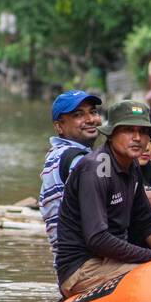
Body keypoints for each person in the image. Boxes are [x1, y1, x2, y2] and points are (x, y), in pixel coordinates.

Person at [54, 100, 151, 297]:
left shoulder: (131, 167)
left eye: (143, 131)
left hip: (113, 261)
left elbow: (147, 221)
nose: (137, 138)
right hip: (82, 268)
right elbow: (97, 238)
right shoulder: (95, 168)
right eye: (129, 130)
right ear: (112, 134)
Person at [39, 90, 103, 244]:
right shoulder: (76, 160)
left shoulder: (57, 154)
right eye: (78, 115)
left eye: (93, 112)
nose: (90, 119)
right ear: (59, 126)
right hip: (83, 258)